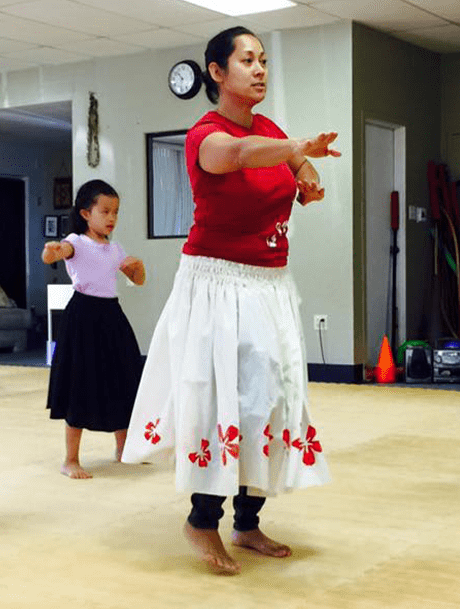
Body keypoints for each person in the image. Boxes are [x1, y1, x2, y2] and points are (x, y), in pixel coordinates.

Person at [120, 26, 339, 575]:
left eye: (264, 60)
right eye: (247, 60)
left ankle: (248, 521)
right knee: (226, 399)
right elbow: (238, 155)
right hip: (218, 285)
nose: (260, 69)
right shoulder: (206, 135)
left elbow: (297, 168)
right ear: (217, 73)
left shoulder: (270, 127)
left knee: (272, 396)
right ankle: (202, 519)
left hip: (269, 283)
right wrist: (295, 150)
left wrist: (307, 177)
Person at [41, 179, 145, 480]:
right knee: (80, 383)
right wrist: (53, 251)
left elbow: (138, 281)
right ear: (87, 213)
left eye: (115, 212)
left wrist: (138, 265)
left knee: (123, 376)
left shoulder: (115, 248)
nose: (111, 218)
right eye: (105, 211)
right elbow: (56, 254)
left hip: (111, 314)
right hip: (83, 316)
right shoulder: (76, 241)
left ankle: (123, 448)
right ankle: (70, 459)